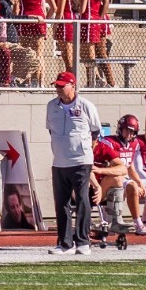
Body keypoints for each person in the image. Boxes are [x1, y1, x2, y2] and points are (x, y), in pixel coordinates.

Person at [44, 70, 100, 256]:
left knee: (82, 199)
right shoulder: (51, 106)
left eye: (62, 86)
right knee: (62, 202)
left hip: (81, 161)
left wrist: (85, 150)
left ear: (73, 86)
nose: (58, 89)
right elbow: (51, 130)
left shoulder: (86, 106)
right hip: (59, 161)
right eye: (57, 86)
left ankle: (83, 241)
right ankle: (65, 243)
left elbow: (95, 132)